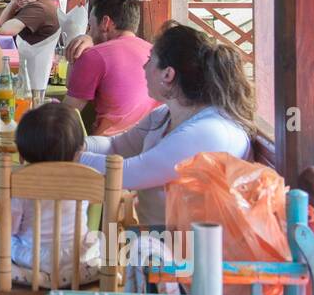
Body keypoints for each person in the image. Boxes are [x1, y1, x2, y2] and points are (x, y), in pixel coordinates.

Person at [77, 23, 255, 227]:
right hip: (159, 241)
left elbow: (129, 173)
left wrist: (68, 155)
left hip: (191, 252)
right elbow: (117, 146)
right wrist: (74, 145)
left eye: (150, 60)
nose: (144, 68)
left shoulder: (209, 131)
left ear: (168, 74)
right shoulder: (165, 114)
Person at [8, 102, 93, 282]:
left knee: (5, 238)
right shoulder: (87, 180)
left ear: (21, 155)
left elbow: (11, 228)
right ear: (79, 152)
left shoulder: (20, 184)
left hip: (34, 260)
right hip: (77, 259)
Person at [61, 0, 159, 135]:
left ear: (105, 22)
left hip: (111, 149)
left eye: (90, 25)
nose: (89, 30)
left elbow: (65, 115)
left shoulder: (94, 55)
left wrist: (86, 42)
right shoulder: (155, 52)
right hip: (154, 144)